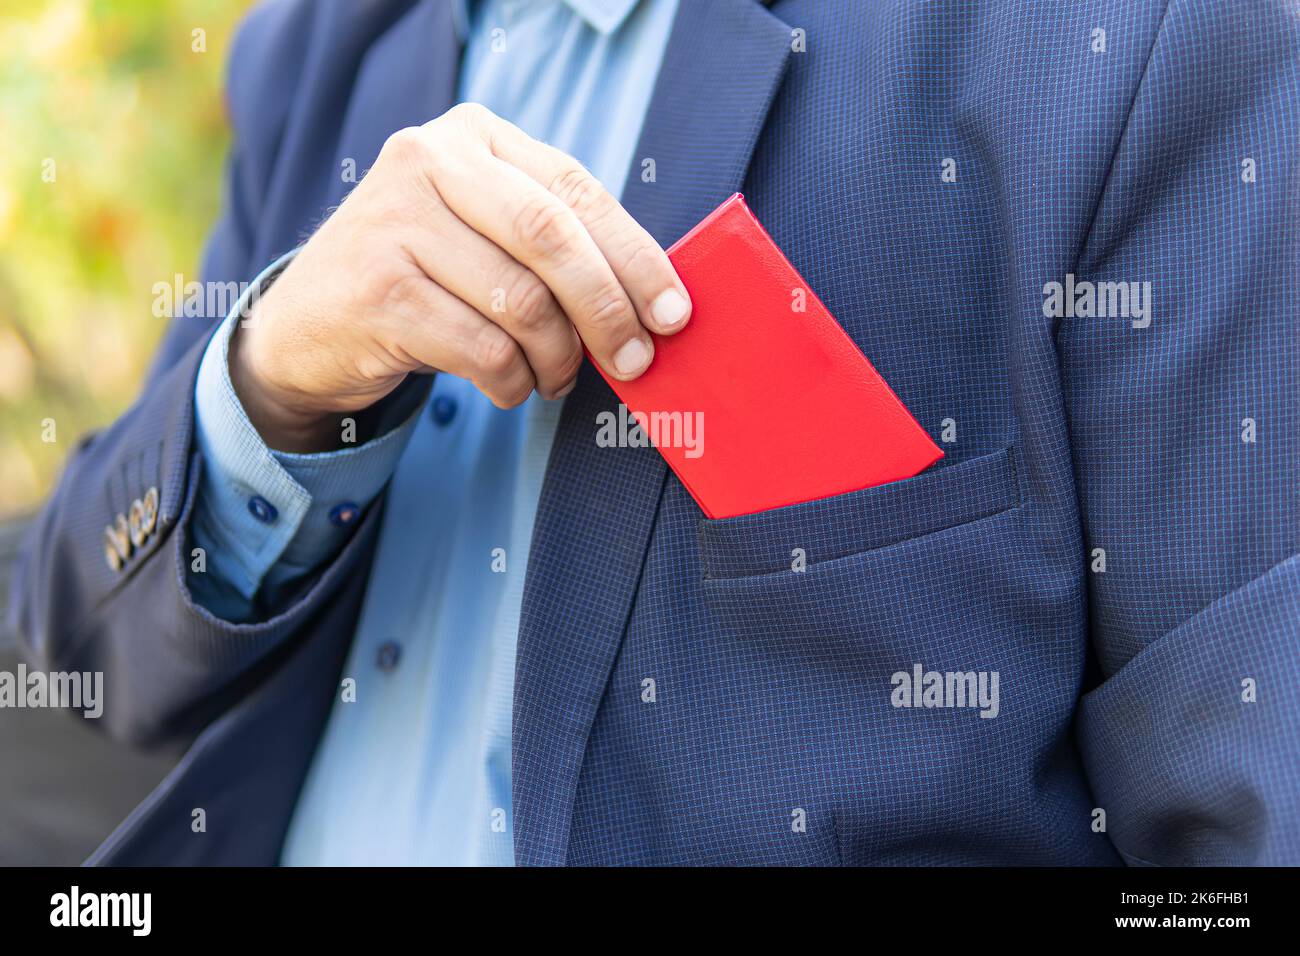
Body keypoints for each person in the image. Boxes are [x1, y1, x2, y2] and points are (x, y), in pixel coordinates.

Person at [11, 0, 1299, 865]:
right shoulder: (316, 42)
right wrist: (271, 385)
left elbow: (1247, 805)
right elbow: (88, 650)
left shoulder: (1141, 41)